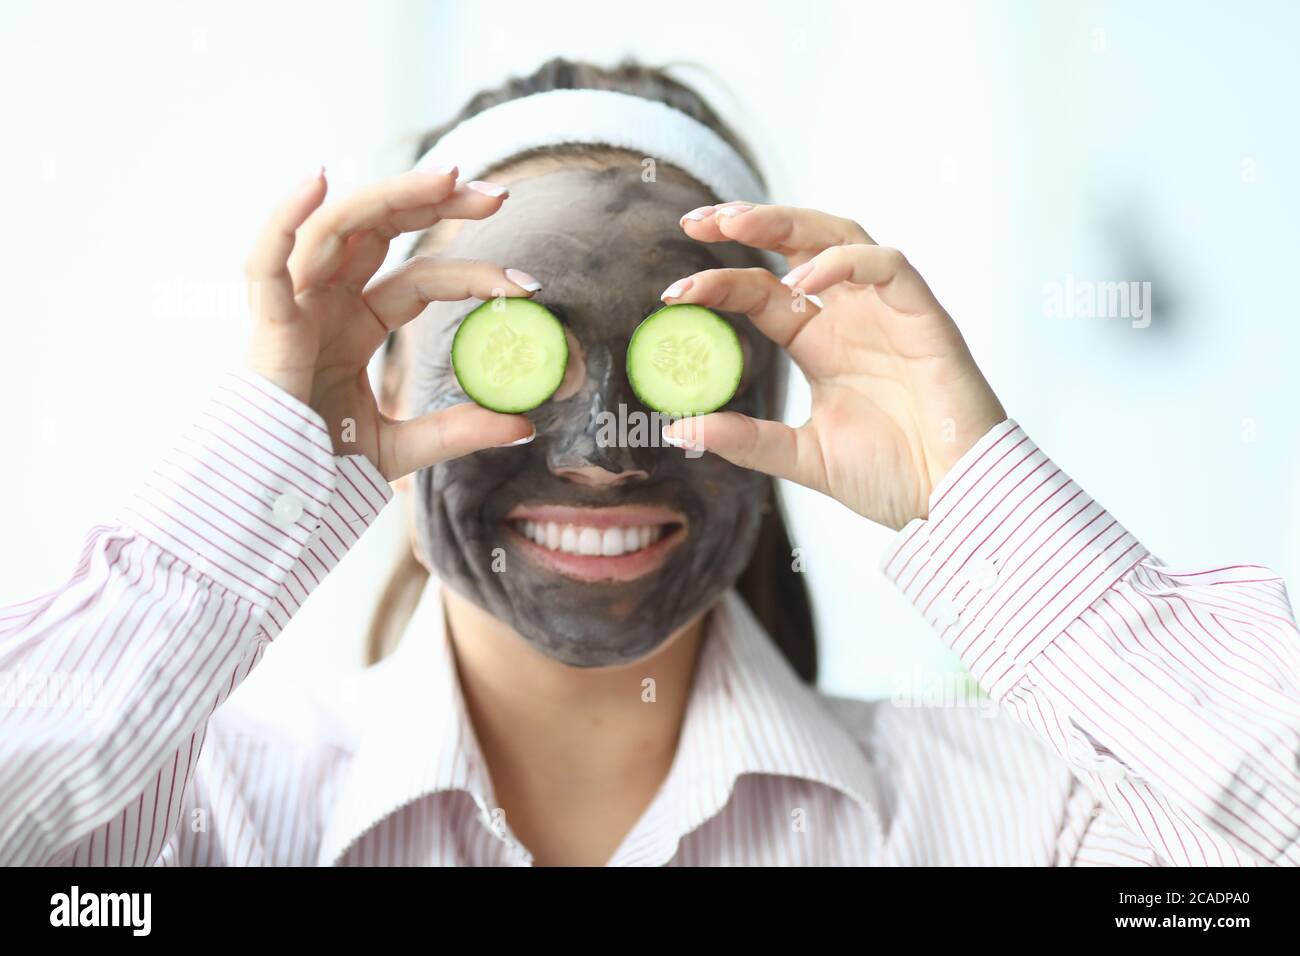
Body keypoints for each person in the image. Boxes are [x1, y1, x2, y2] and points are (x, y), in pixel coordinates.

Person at [1, 59, 1296, 867]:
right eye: (522, 347)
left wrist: (975, 492)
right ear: (384, 381)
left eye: (680, 353)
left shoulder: (1010, 825)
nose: (608, 450)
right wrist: (272, 464)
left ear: (781, 391)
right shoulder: (212, 822)